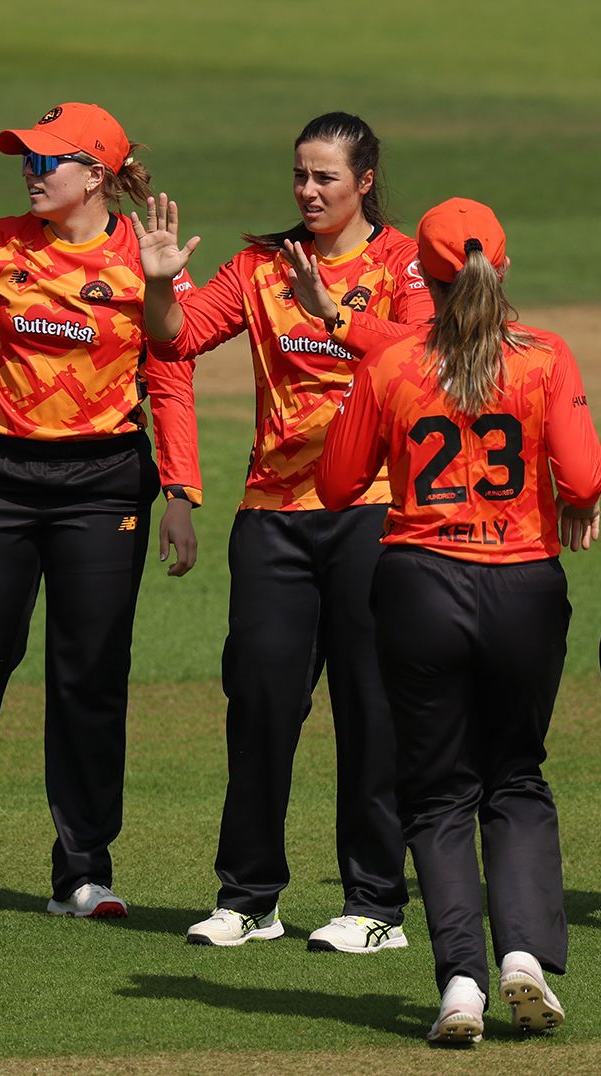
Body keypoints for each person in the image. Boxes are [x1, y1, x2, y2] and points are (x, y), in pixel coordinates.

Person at [135, 112, 433, 952]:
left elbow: (418, 358)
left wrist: (333, 311)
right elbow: (175, 339)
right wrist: (161, 283)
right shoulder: (262, 265)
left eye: (325, 178)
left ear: (364, 181)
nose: (307, 191)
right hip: (273, 514)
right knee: (260, 704)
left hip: (374, 510)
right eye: (300, 176)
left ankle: (375, 905)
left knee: (370, 711)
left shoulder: (404, 263)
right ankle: (249, 898)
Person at [317, 198, 601, 1042]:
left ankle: (460, 989)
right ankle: (522, 958)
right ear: (501, 270)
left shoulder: (394, 362)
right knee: (514, 776)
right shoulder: (544, 356)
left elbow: (337, 486)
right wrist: (564, 502)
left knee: (438, 792)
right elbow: (585, 477)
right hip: (522, 586)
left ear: (424, 280)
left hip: (419, 585)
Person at [0, 103, 201, 919]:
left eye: (48, 161)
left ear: (96, 175)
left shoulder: (145, 259)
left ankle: (82, 870)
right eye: (27, 160)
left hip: (105, 480)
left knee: (90, 677)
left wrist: (179, 491)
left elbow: (170, 373)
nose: (32, 173)